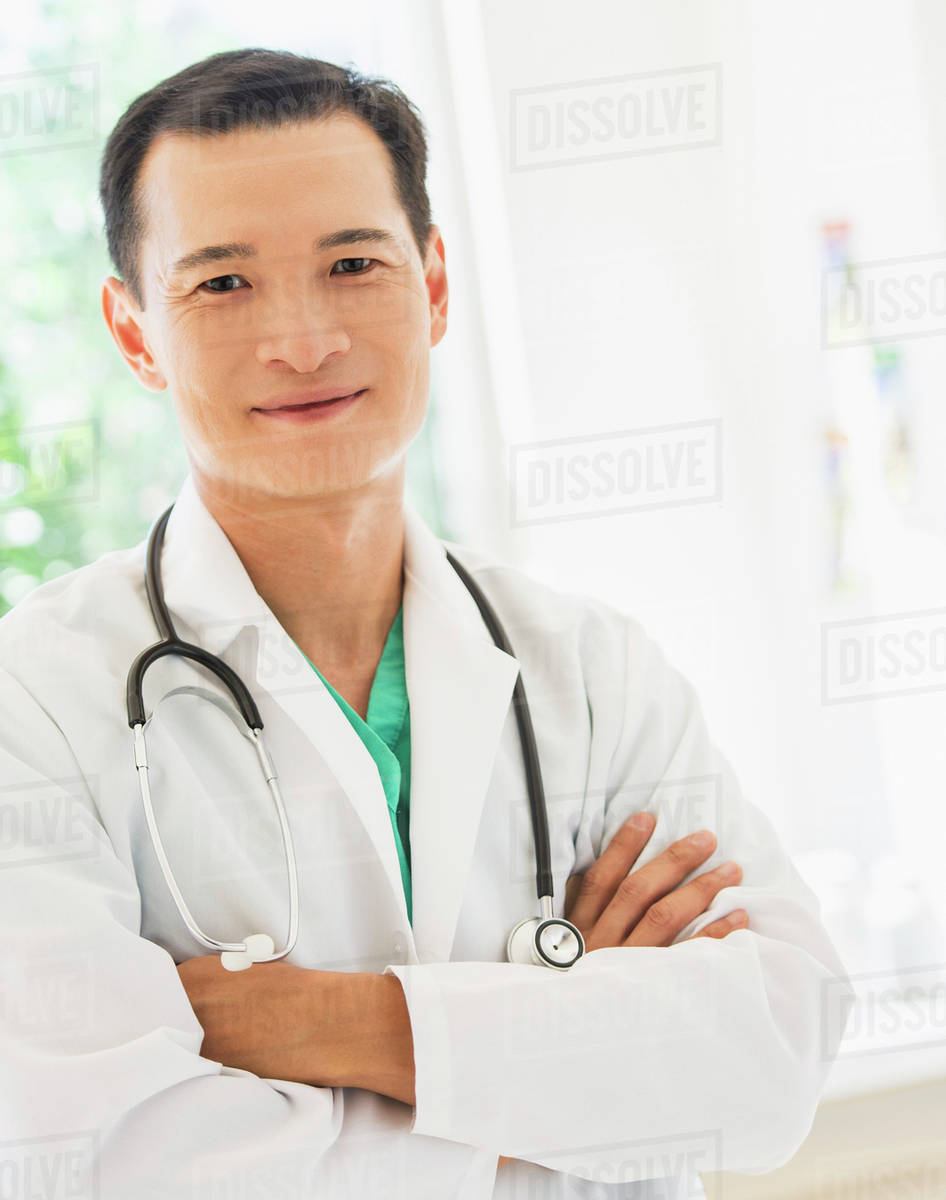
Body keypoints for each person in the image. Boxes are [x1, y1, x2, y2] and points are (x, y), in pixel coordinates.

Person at [0, 48, 852, 1199]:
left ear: (436, 284)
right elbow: (112, 1160)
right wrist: (557, 1067)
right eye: (222, 283)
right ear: (134, 330)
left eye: (352, 263)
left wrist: (322, 1025)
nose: (301, 340)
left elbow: (771, 1061)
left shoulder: (592, 671)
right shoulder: (36, 703)